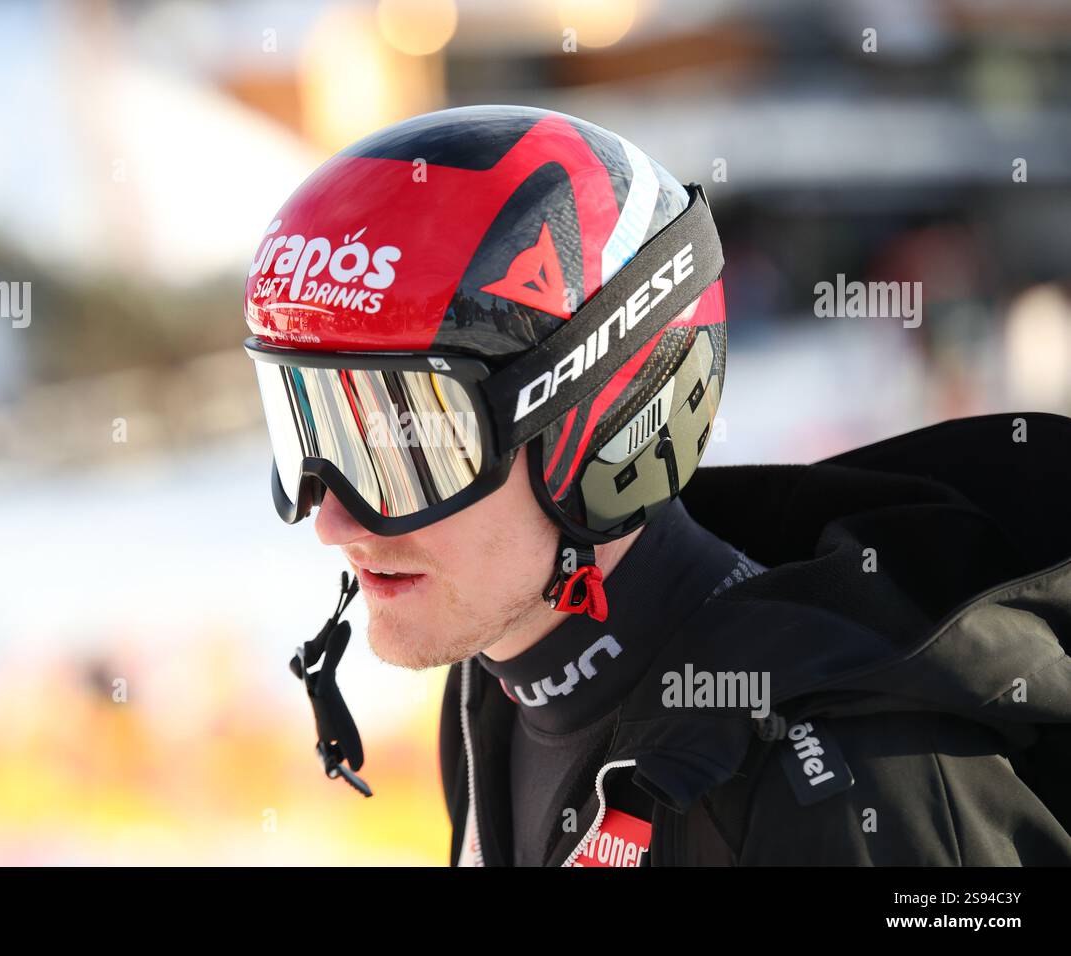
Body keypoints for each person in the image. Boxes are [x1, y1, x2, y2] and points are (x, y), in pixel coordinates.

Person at [244, 105, 1071, 866]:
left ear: (597, 431)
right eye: (312, 430)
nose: (333, 520)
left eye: (407, 443)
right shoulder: (490, 687)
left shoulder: (847, 785)